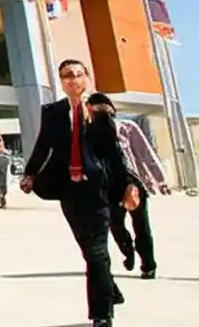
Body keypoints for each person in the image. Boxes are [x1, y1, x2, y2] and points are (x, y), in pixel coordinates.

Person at [20, 59, 139, 327]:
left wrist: (127, 186)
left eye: (77, 74)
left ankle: (101, 314)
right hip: (68, 189)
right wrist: (29, 173)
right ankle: (109, 290)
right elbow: (43, 145)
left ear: (86, 77)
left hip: (97, 189)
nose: (73, 80)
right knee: (88, 249)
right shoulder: (52, 111)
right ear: (61, 82)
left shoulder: (99, 107)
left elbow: (113, 152)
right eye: (66, 76)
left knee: (96, 250)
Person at [86, 92, 161, 279]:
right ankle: (128, 249)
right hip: (108, 186)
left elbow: (145, 154)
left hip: (132, 183)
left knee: (141, 225)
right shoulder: (87, 132)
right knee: (115, 223)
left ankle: (148, 265)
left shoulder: (127, 127)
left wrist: (159, 180)